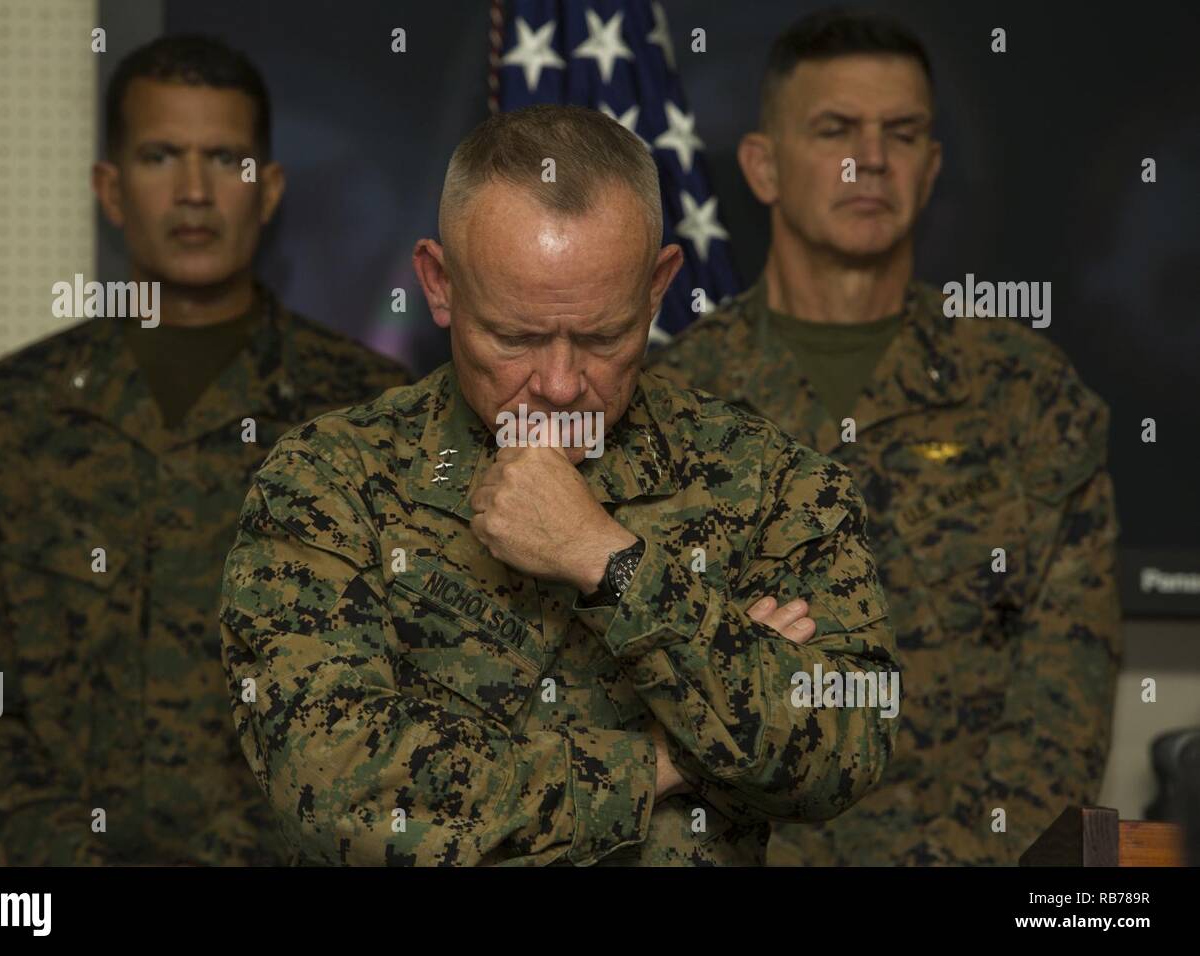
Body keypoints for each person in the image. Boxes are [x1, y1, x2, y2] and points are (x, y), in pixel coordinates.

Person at [219, 103, 898, 866]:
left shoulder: (769, 483)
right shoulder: (328, 483)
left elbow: (848, 742)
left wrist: (608, 559)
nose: (561, 384)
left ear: (658, 287)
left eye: (604, 336)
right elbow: (336, 790)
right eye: (514, 337)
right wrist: (667, 760)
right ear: (439, 285)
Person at [0, 35, 409, 865]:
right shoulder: (6, 419)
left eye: (225, 158)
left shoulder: (370, 415)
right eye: (159, 156)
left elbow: (408, 712)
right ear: (110, 189)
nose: (192, 191)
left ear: (271, 189)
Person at [648, 9, 1120, 865]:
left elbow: (1063, 704)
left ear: (932, 167)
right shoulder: (672, 401)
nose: (871, 159)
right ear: (762, 165)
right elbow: (656, 690)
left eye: (900, 134)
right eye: (834, 130)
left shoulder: (1028, 396)